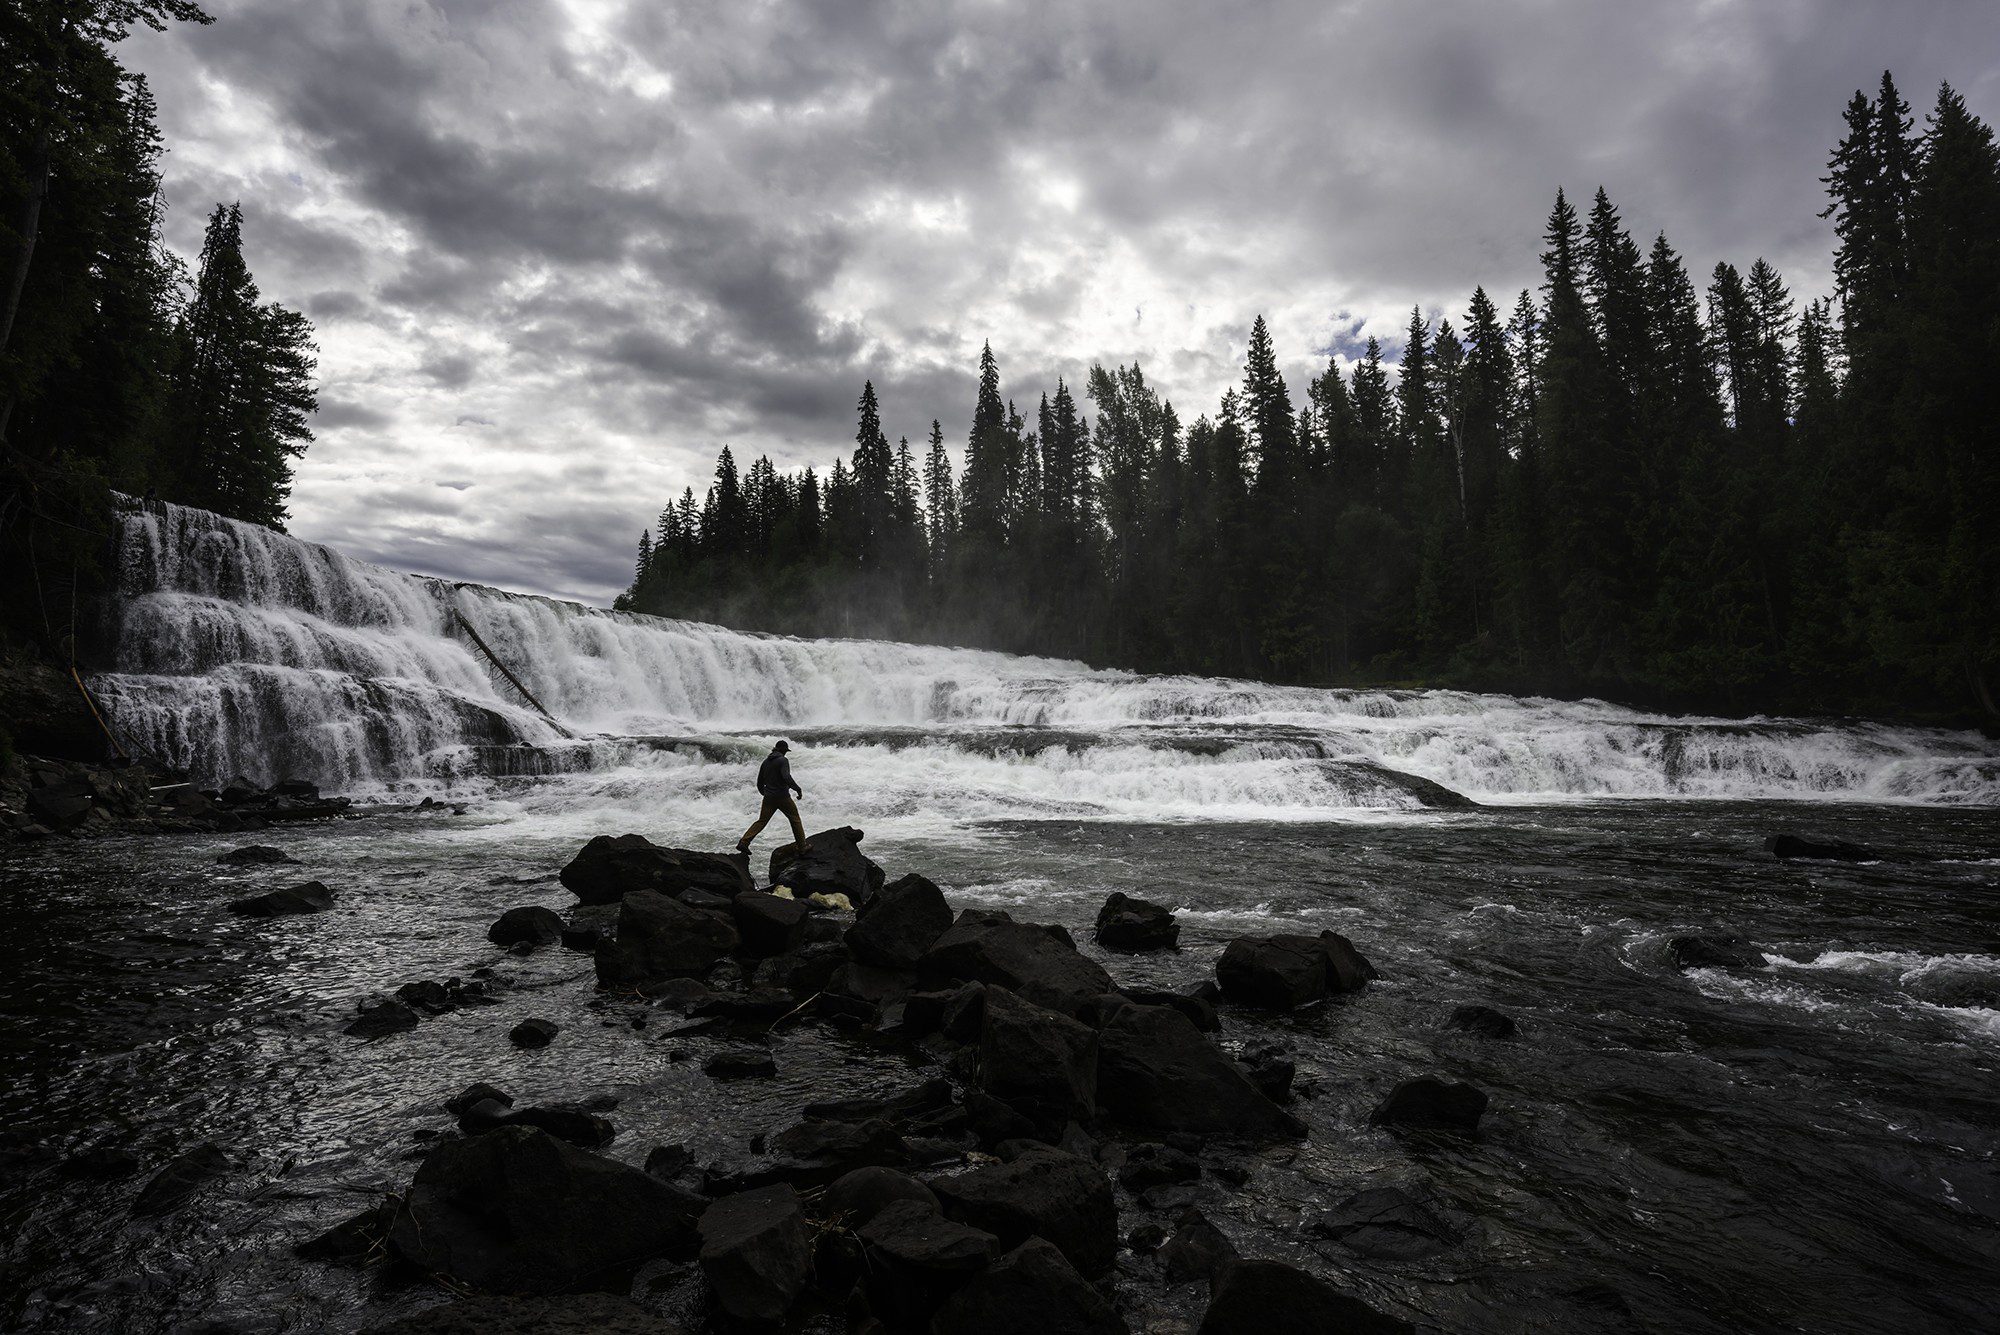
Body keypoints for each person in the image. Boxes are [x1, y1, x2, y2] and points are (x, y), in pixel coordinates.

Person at [737, 739, 806, 856]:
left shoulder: (765, 762)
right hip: (783, 797)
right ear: (783, 750)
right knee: (795, 819)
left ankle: (744, 842)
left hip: (769, 797)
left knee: (762, 821)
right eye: (785, 751)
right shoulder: (783, 760)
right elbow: (786, 777)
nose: (785, 753)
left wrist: (766, 794)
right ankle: (802, 847)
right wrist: (797, 789)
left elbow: (759, 782)